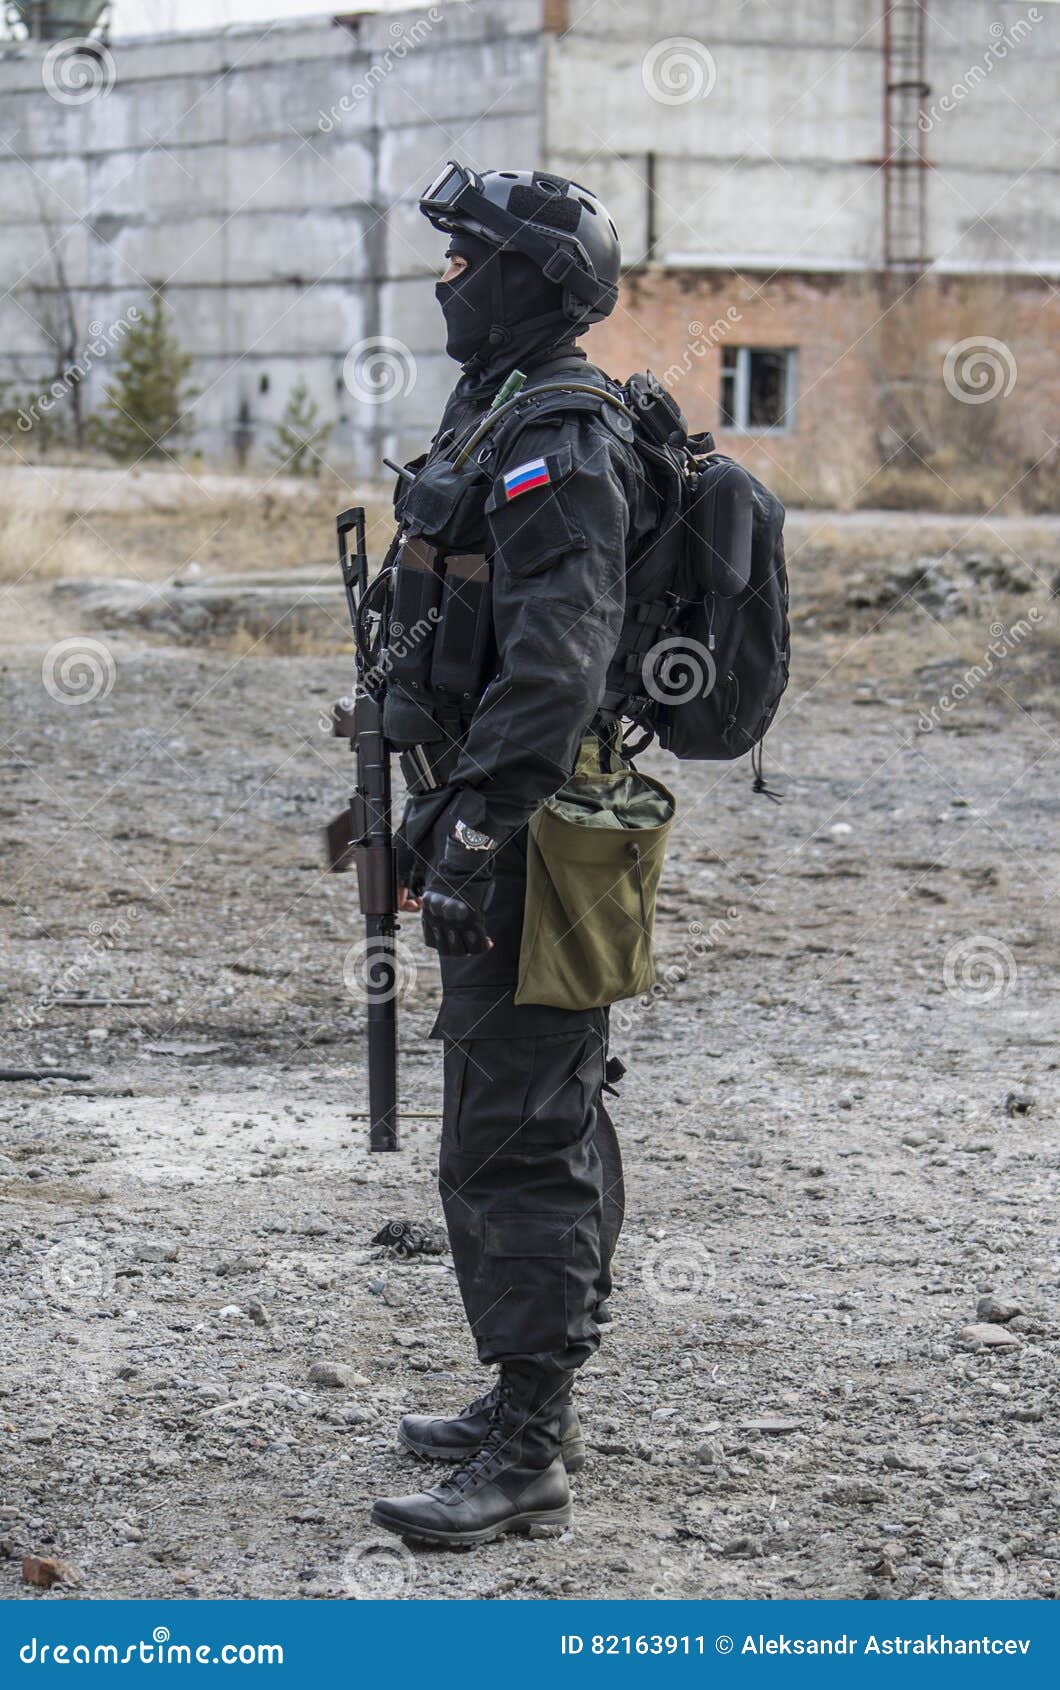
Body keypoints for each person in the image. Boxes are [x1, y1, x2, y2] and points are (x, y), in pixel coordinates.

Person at [369, 164, 657, 1548]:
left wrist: (477, 824)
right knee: (510, 1112)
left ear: (527, 281)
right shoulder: (496, 410)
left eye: (464, 260)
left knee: (521, 1133)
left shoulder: (558, 436)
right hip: (499, 815)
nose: (443, 280)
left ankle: (531, 1450)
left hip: (537, 833)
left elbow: (556, 664)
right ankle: (515, 1398)